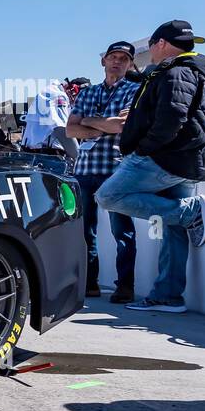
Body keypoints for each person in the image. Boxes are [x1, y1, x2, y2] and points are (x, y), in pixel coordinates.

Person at [97, 20, 205, 312]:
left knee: (108, 196)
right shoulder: (184, 70)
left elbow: (173, 116)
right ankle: (168, 296)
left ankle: (191, 212)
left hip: (163, 158)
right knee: (173, 228)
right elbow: (151, 83)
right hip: (185, 159)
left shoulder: (178, 72)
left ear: (159, 44)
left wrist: (144, 149)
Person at [67, 41, 140, 303]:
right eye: (113, 57)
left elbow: (121, 125)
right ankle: (90, 283)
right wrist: (101, 126)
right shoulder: (87, 93)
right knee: (86, 232)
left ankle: (125, 286)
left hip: (118, 169)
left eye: (123, 58)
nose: (117, 62)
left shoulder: (134, 91)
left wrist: (87, 121)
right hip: (85, 169)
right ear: (104, 61)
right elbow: (70, 130)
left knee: (122, 231)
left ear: (130, 64)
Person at [21, 79, 78, 160]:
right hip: (47, 155)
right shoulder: (58, 96)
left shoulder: (48, 92)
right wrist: (80, 159)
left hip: (34, 153)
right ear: (73, 90)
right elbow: (62, 130)